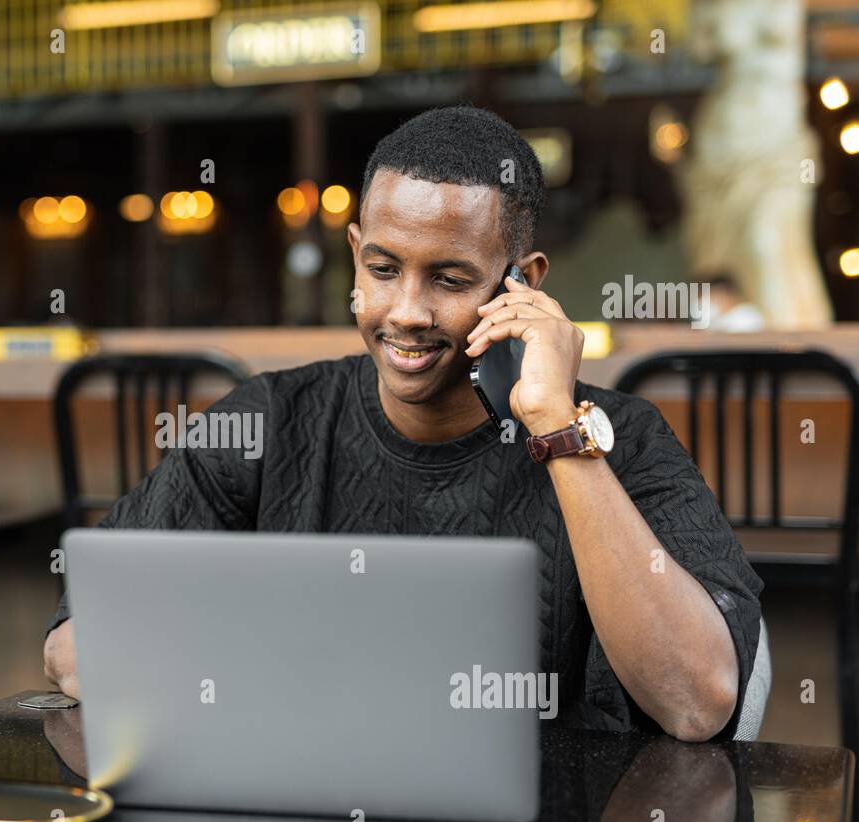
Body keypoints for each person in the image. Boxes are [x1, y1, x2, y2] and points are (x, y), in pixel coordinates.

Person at [43, 106, 763, 743]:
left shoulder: (620, 437)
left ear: (524, 284)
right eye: (384, 269)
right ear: (356, 255)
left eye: (449, 280)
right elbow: (74, 649)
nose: (407, 311)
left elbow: (696, 703)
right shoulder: (267, 422)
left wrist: (555, 427)